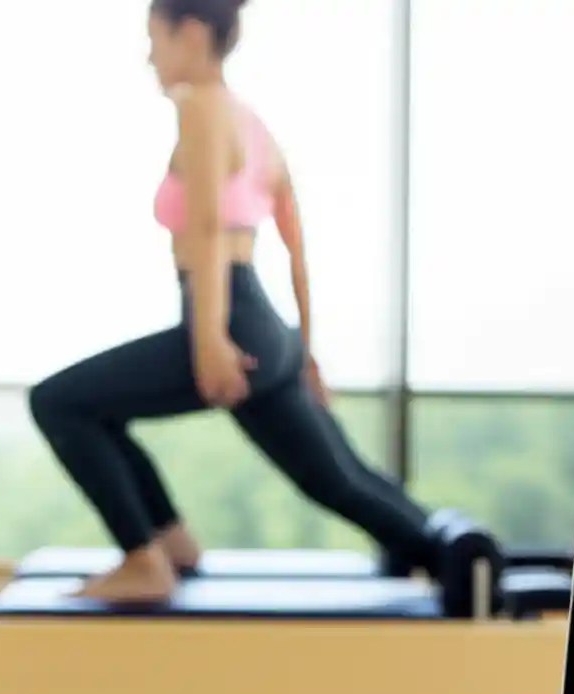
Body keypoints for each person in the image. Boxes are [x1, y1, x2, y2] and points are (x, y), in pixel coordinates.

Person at [29, 0, 438, 603]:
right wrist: (305, 352)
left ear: (190, 35)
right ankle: (448, 549)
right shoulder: (254, 124)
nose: (149, 56)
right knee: (337, 479)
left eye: (155, 39)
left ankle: (146, 560)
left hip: (227, 319)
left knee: (58, 402)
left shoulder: (199, 108)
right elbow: (297, 251)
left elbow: (208, 234)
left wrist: (209, 337)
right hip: (268, 328)